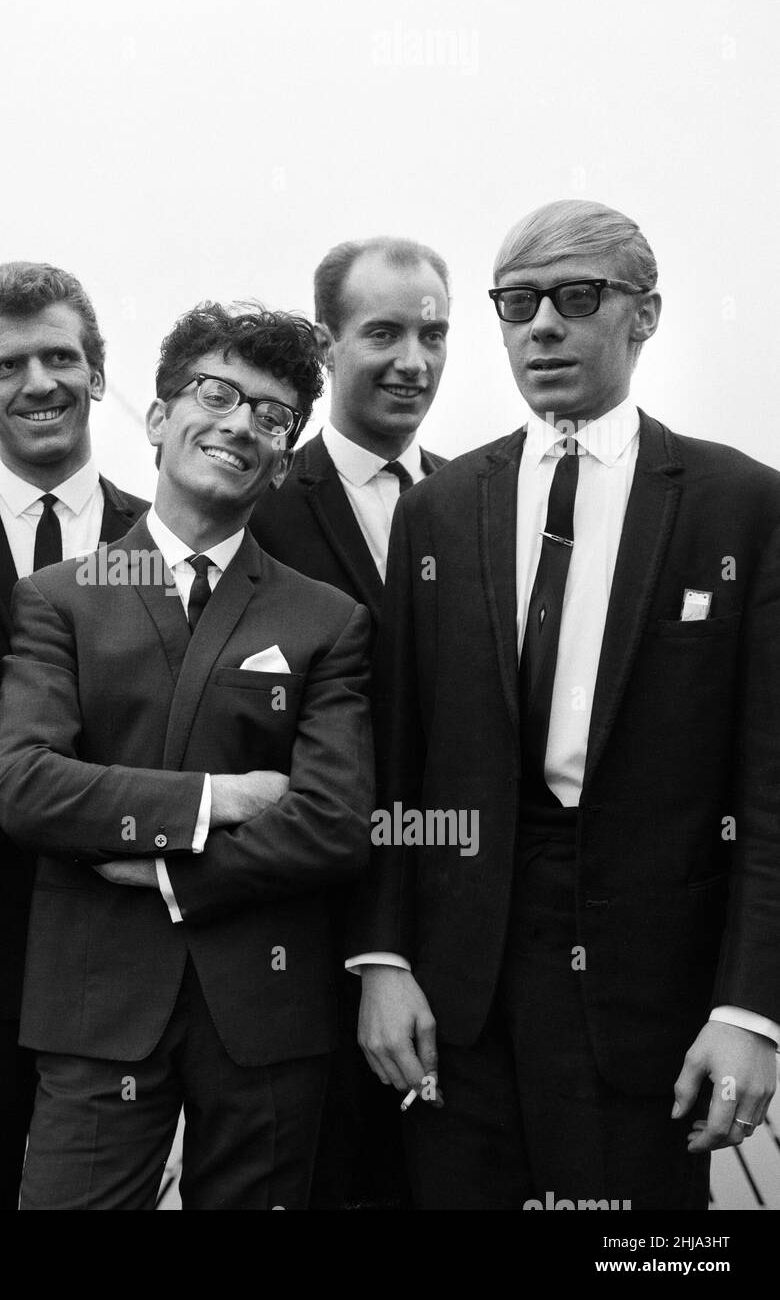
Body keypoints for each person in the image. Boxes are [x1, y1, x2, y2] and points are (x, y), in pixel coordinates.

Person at [354, 199, 780, 1209]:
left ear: (645, 314)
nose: (540, 324)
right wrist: (382, 955)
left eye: (574, 296)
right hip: (456, 997)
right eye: (515, 302)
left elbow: (768, 783)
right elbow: (396, 757)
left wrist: (751, 1006)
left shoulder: (739, 506)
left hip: (649, 1003)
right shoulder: (439, 509)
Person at [0, 302, 375, 1209]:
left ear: (283, 457)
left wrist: (169, 876)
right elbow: (28, 786)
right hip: (96, 1006)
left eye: (273, 415)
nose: (242, 422)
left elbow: (333, 822)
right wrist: (223, 797)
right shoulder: (60, 599)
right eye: (217, 393)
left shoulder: (326, 619)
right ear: (160, 418)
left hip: (268, 1011)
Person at [0, 261, 147, 1210]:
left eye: (61, 356)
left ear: (98, 372)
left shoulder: (167, 539)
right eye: (8, 366)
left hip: (125, 958)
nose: (39, 382)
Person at [250, 236, 450, 1208]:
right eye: (384, 332)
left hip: (459, 950)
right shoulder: (258, 506)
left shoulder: (474, 503)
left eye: (432, 332)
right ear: (327, 347)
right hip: (300, 958)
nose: (413, 359)